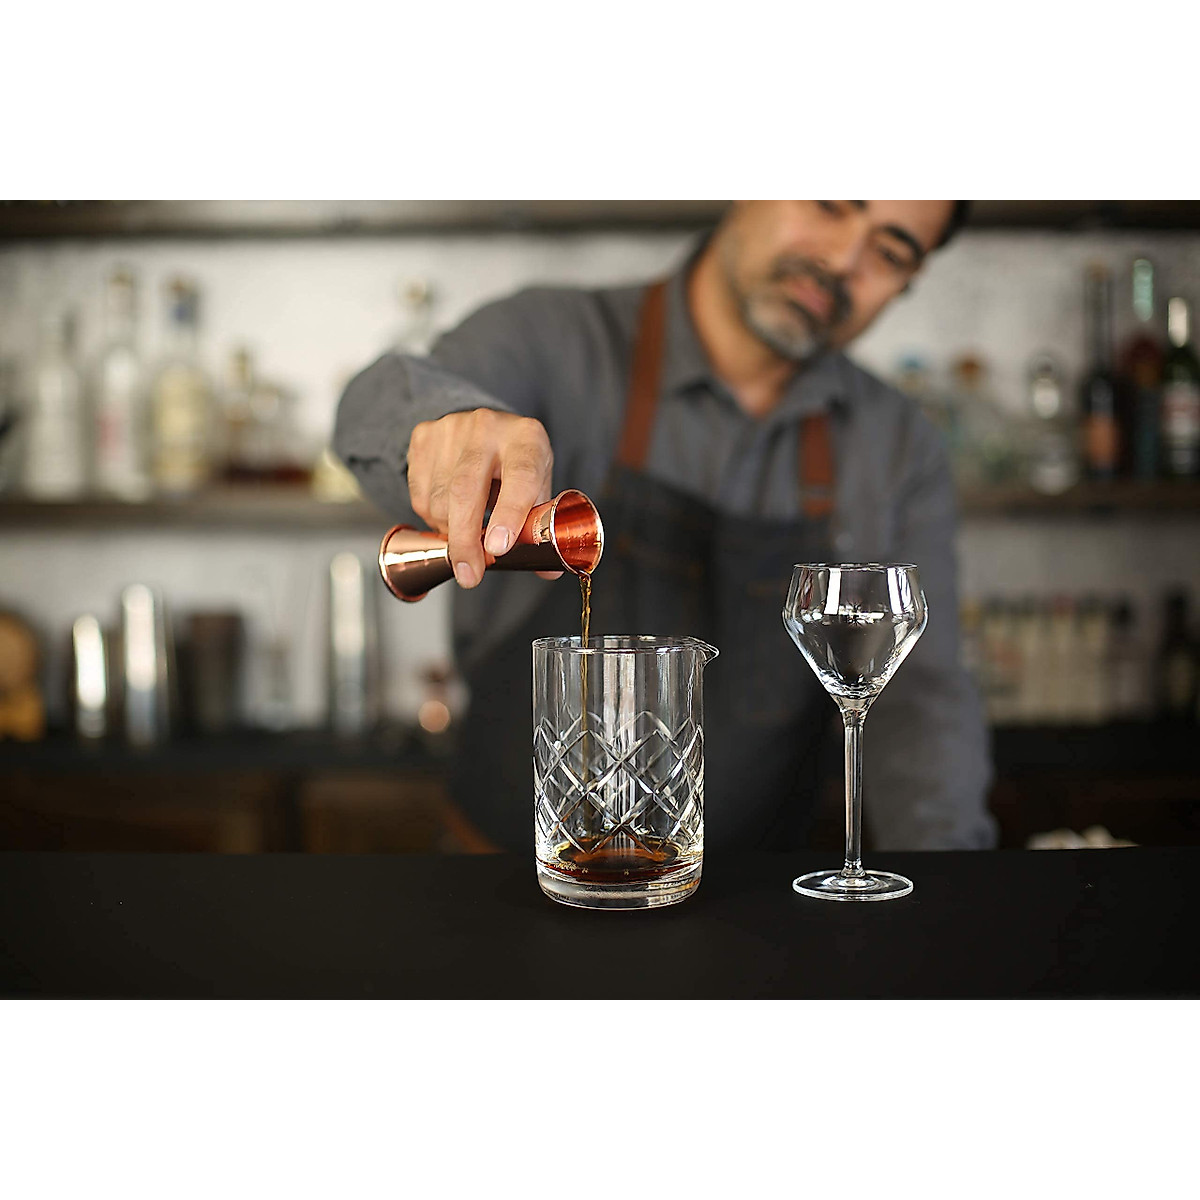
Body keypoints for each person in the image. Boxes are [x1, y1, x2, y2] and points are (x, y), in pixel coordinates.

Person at [334, 200, 997, 854]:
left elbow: (921, 699)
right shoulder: (549, 337)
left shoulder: (897, 445)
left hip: (757, 916)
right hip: (500, 890)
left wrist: (948, 888)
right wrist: (445, 430)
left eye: (889, 252)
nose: (844, 259)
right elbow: (379, 396)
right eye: (829, 202)